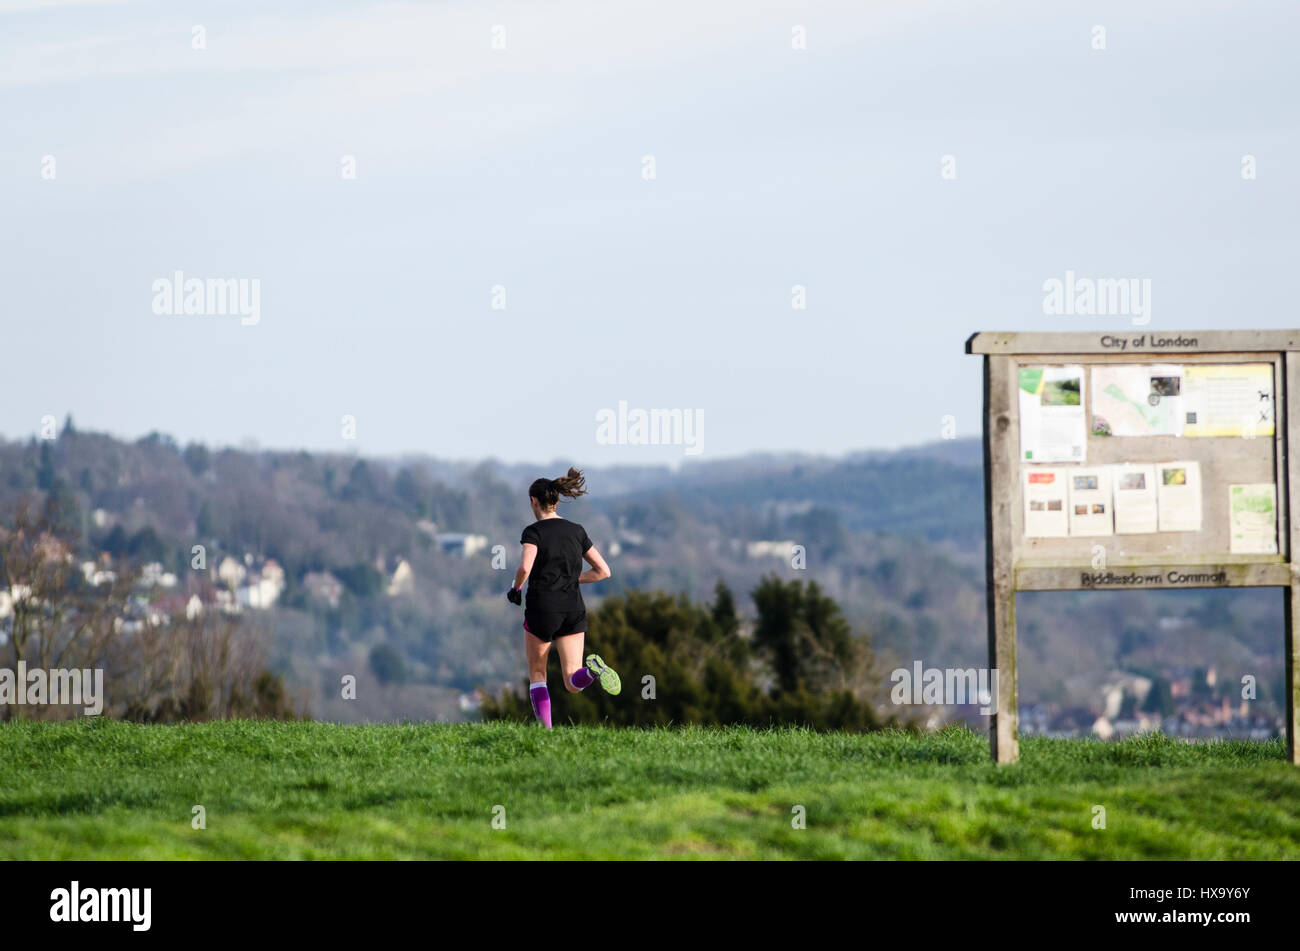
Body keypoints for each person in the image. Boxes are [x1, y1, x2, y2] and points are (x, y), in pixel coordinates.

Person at [506, 467, 620, 729]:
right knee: (572, 682)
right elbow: (604, 571)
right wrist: (571, 579)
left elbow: (525, 567)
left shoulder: (533, 532)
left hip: (542, 610)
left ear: (533, 502)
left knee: (537, 674)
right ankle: (592, 671)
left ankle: (546, 732)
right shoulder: (576, 531)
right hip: (573, 609)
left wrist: (516, 589)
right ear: (556, 501)